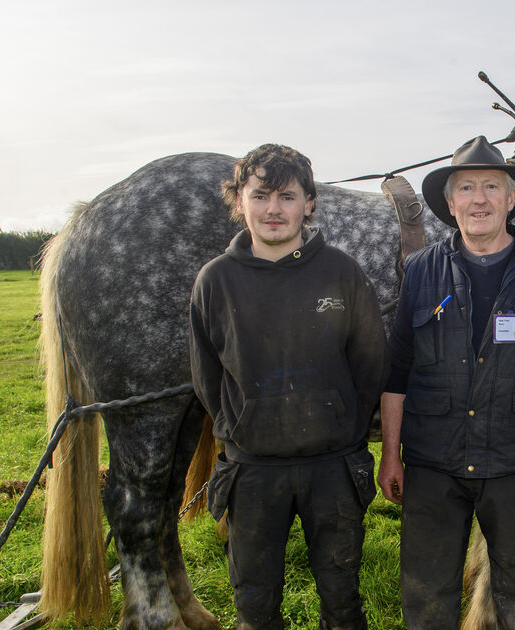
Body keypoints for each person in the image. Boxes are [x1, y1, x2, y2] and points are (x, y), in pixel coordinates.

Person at [376, 136, 515, 630]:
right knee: (426, 596)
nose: (479, 199)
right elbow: (397, 371)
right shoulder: (420, 271)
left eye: (491, 186)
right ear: (450, 204)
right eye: (466, 188)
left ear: (511, 199)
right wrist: (391, 454)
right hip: (434, 463)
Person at [189, 143, 387, 630]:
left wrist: (341, 427)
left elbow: (371, 365)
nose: (273, 209)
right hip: (252, 472)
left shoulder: (342, 272)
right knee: (255, 609)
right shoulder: (215, 281)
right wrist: (241, 428)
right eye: (260, 196)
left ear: (309, 204)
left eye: (287, 196)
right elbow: (207, 378)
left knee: (342, 604)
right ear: (240, 202)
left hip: (333, 468)